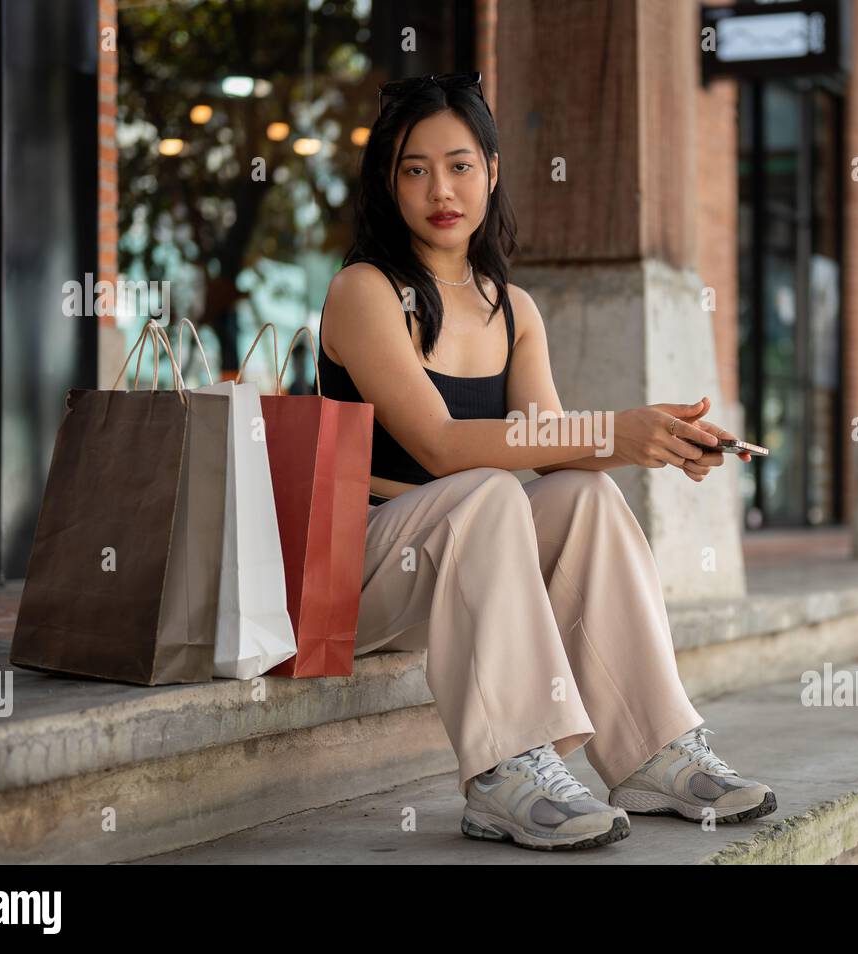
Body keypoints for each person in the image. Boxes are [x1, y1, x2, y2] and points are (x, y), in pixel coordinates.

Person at [317, 72, 776, 851]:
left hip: (461, 564)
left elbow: (554, 444)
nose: (441, 189)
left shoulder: (513, 308)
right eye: (414, 168)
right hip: (359, 572)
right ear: (387, 182)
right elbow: (438, 444)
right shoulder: (365, 291)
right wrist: (612, 433)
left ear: (493, 172)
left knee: (584, 497)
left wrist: (655, 437)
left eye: (461, 165)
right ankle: (506, 769)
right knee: (488, 488)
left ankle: (652, 749)